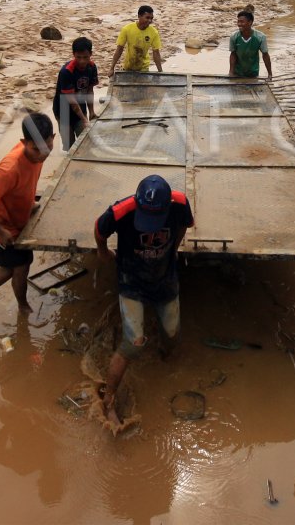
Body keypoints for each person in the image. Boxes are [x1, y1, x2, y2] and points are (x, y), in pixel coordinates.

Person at [94, 175, 194, 426]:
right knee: (134, 343)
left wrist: (174, 248)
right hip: (132, 280)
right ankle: (108, 401)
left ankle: (164, 360)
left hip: (164, 278)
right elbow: (99, 229)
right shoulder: (119, 211)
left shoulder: (180, 204)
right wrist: (103, 251)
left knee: (172, 334)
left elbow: (184, 225)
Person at [0, 112, 54, 325]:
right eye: (36, 149)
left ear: (53, 137)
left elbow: (23, 185)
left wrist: (29, 203)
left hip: (13, 219)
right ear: (24, 143)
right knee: (18, 266)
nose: (42, 155)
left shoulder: (37, 152)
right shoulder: (10, 168)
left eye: (48, 147)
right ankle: (13, 305)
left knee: (18, 265)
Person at [51, 36, 98, 151]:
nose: (82, 61)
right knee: (69, 144)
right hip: (63, 110)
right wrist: (84, 119)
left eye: (85, 57)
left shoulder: (92, 67)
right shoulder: (66, 72)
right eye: (78, 57)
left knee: (85, 140)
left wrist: (91, 112)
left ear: (90, 54)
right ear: (73, 55)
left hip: (80, 106)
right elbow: (71, 101)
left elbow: (89, 91)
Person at [109, 5, 163, 76]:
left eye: (151, 18)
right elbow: (119, 49)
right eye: (147, 18)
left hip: (144, 68)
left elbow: (156, 52)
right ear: (139, 16)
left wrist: (160, 72)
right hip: (128, 66)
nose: (150, 21)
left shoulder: (154, 32)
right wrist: (112, 68)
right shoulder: (127, 29)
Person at [228, 10, 272, 78]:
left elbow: (265, 55)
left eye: (242, 22)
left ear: (250, 22)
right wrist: (231, 72)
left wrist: (270, 74)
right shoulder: (234, 37)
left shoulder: (260, 37)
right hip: (237, 73)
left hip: (253, 73)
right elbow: (233, 54)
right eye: (238, 21)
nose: (239, 24)